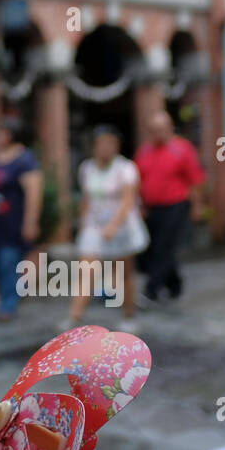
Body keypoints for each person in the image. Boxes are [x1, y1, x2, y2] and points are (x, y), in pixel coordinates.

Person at [65, 125, 146, 332]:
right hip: (94, 225)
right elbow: (86, 198)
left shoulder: (126, 168)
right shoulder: (87, 168)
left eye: (111, 143)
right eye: (102, 143)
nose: (106, 148)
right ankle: (75, 316)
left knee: (124, 272)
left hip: (121, 227)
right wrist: (82, 222)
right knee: (86, 270)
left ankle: (128, 314)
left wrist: (113, 225)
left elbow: (128, 200)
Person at [133, 110, 204, 306]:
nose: (158, 134)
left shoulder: (182, 149)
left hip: (175, 205)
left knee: (164, 247)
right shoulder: (144, 151)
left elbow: (195, 180)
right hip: (151, 208)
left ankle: (150, 291)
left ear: (170, 128)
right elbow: (137, 181)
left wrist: (197, 206)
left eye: (161, 129)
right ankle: (174, 284)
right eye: (154, 130)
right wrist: (139, 205)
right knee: (153, 249)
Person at [0, 118, 43, 321]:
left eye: (2, 133)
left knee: (9, 261)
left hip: (12, 222)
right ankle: (10, 293)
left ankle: (8, 305)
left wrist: (31, 221)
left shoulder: (24, 160)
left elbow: (34, 191)